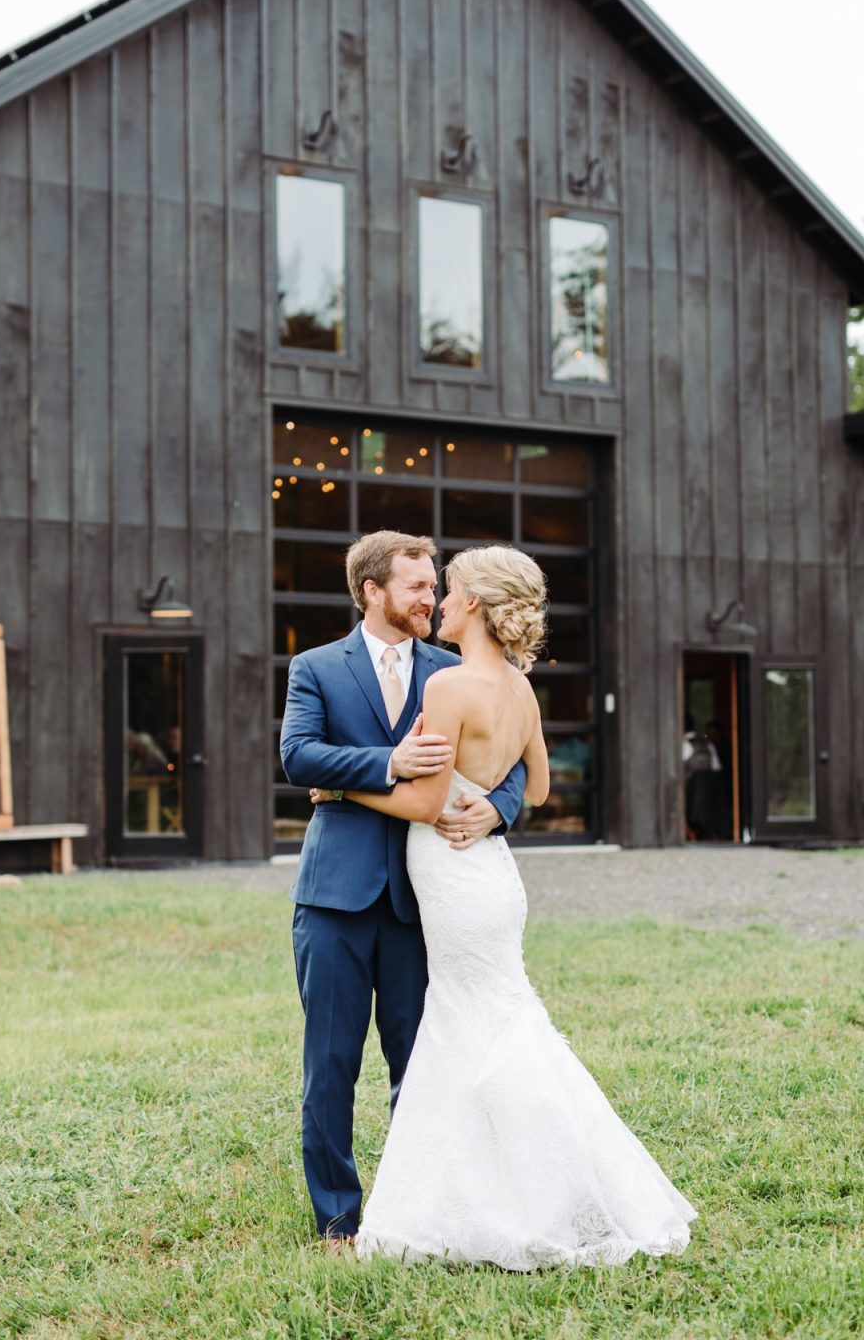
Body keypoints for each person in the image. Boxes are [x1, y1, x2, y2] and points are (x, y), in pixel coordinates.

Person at [320, 544, 696, 1270]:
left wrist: (341, 788)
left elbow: (426, 801)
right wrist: (491, 807)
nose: (441, 599)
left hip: (452, 872)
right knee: (502, 1019)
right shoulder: (522, 691)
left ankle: (456, 1209)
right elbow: (542, 787)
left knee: (464, 1025)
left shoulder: (452, 688)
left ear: (476, 607)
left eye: (451, 589)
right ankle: (525, 1188)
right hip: (491, 873)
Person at [280, 531, 526, 1250]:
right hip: (333, 899)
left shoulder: (454, 669)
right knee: (329, 1065)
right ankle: (338, 1219)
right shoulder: (316, 666)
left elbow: (505, 752)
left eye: (433, 587)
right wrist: (387, 761)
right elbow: (298, 754)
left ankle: (420, 1207)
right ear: (372, 592)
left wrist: (499, 805)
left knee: (420, 1064)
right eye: (418, 587)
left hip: (428, 902)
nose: (432, 599)